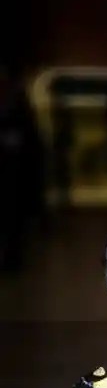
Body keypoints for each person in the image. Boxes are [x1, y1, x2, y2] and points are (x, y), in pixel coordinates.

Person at [0, 61, 45, 272]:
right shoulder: (17, 101)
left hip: (14, 170)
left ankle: (12, 257)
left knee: (12, 217)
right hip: (13, 168)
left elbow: (29, 139)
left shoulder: (16, 102)